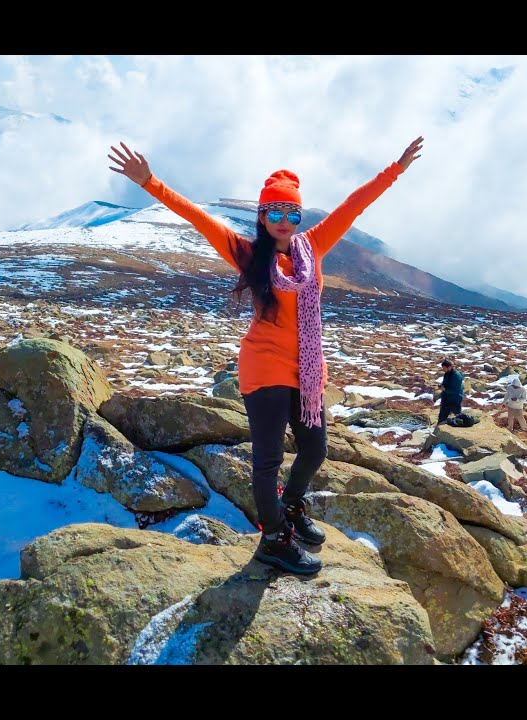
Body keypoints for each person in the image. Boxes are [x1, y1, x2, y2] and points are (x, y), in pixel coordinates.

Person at [109, 136, 424, 575]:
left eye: (292, 212)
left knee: (314, 450)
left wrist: (395, 170)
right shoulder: (246, 252)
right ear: (262, 215)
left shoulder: (312, 246)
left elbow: (353, 207)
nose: (284, 220)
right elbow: (198, 218)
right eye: (275, 211)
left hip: (306, 370)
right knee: (268, 458)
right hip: (263, 366)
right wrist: (150, 183)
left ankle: (291, 509)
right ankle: (274, 539)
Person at [436, 359, 463, 425]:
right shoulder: (447, 373)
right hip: (446, 398)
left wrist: (445, 389)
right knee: (442, 417)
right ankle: (438, 431)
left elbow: (455, 390)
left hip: (455, 399)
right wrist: (441, 385)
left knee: (458, 416)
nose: (443, 369)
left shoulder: (456, 376)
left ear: (450, 367)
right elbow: (445, 383)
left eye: (444, 368)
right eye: (443, 368)